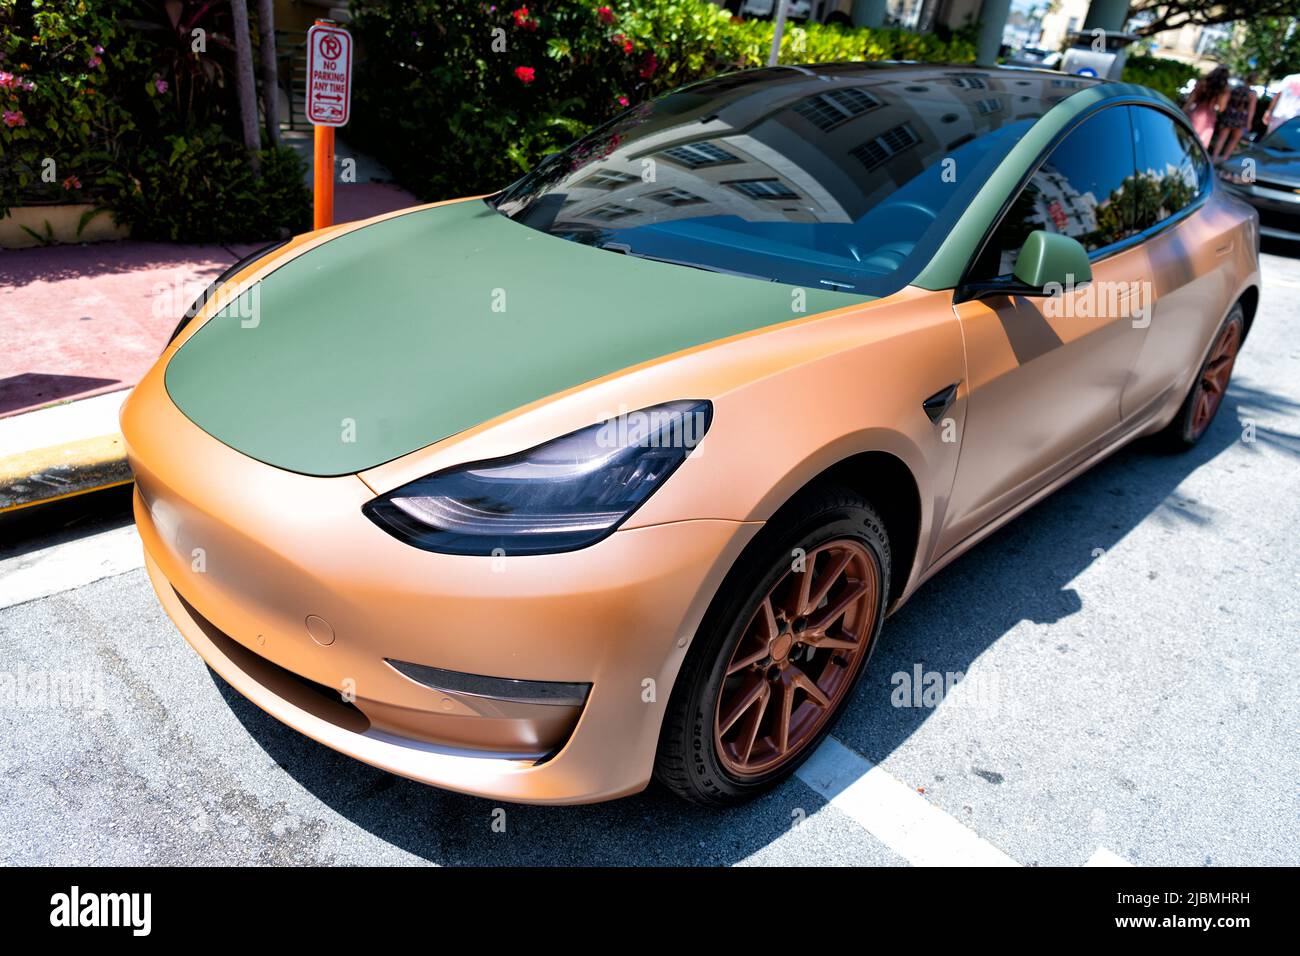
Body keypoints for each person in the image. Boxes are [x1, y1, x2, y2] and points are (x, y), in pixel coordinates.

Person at [1212, 76, 1257, 162]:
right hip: (1241, 118)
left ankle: (1214, 157)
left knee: (1221, 138)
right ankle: (1225, 158)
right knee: (1234, 139)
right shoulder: (1252, 93)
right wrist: (1249, 122)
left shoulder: (1235, 88)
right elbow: (1251, 110)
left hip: (1229, 115)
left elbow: (1226, 101)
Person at [1184, 65, 1230, 148]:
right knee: (1199, 147)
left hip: (1195, 113)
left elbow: (1190, 101)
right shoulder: (1224, 91)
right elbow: (1221, 109)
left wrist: (1182, 112)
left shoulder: (1202, 83)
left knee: (1185, 141)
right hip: (1209, 118)